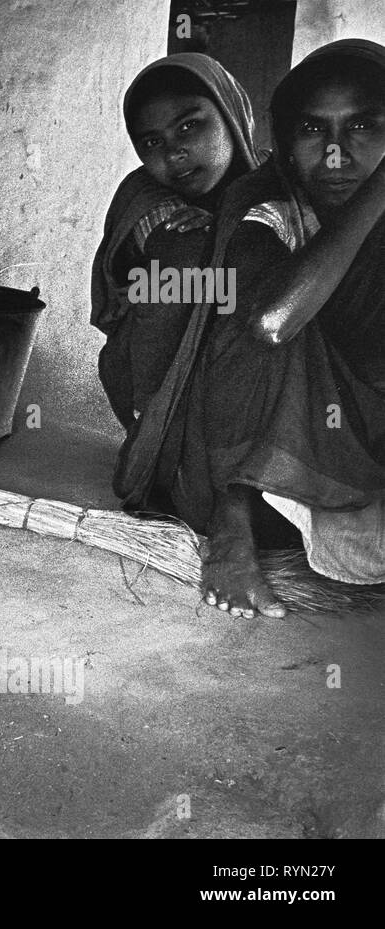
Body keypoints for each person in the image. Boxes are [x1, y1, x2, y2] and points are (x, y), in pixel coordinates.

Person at [193, 39, 385, 618]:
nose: (334, 154)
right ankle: (230, 526)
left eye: (363, 127)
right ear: (281, 143)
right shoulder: (265, 209)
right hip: (284, 448)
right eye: (311, 130)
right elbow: (272, 322)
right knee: (257, 318)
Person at [92, 54, 262, 514]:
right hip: (156, 377)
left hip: (257, 382)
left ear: (230, 113)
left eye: (189, 127)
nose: (174, 152)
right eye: (151, 141)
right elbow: (135, 302)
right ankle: (165, 449)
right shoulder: (147, 199)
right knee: (181, 259)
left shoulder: (276, 188)